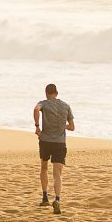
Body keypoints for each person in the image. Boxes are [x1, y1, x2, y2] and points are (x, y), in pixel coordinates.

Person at [32, 83, 74, 212]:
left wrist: (37, 126)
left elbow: (35, 109)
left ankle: (45, 198)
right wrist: (63, 126)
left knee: (44, 168)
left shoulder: (43, 103)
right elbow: (72, 127)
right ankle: (57, 199)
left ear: (46, 93)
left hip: (45, 140)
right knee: (57, 173)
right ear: (57, 93)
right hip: (60, 143)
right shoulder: (66, 106)